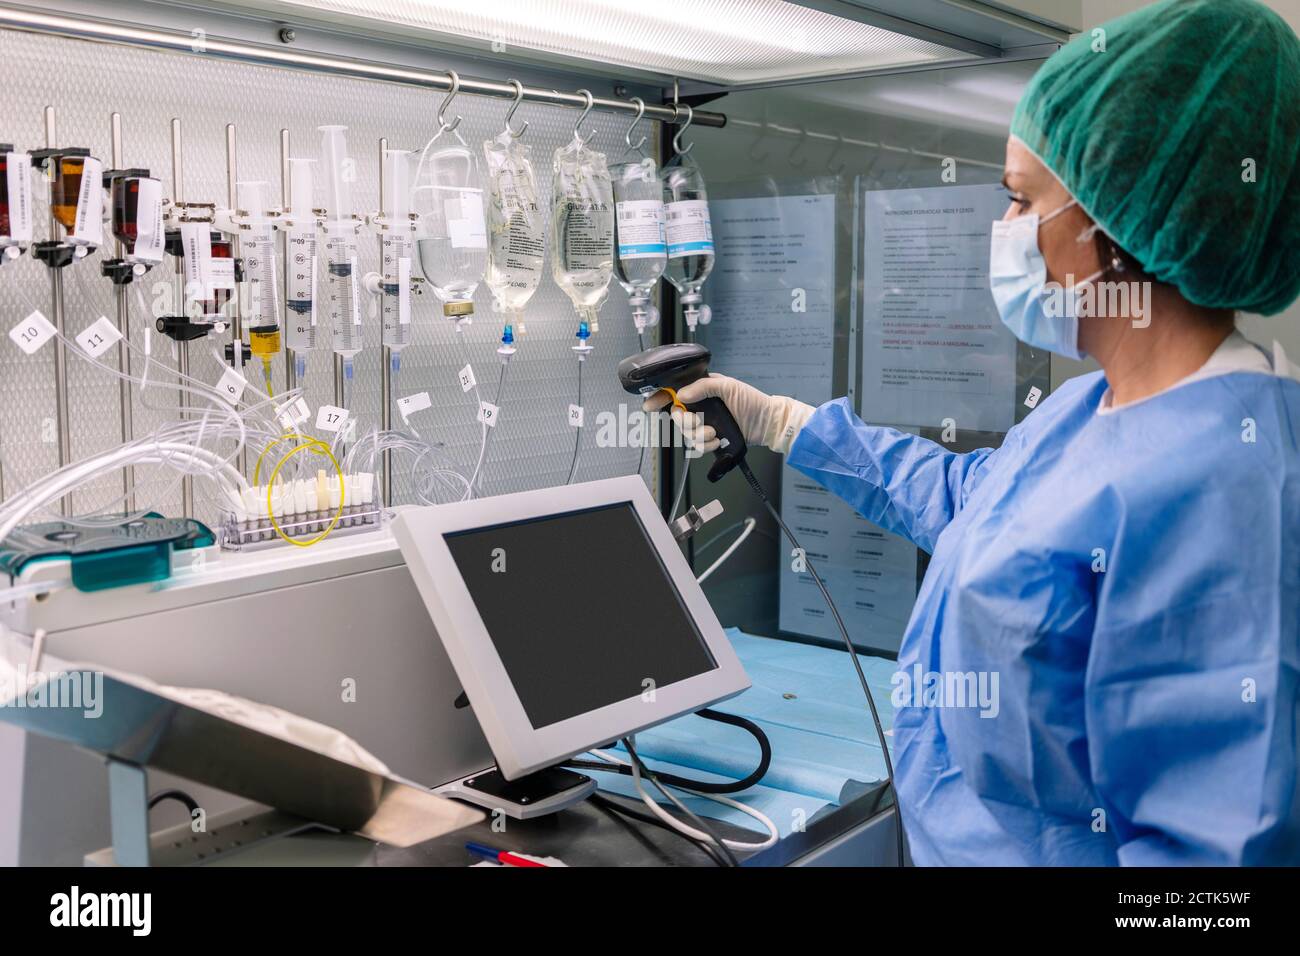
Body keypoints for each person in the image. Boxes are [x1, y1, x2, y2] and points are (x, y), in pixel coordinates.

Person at [648, 0, 1300, 865]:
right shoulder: (1094, 407)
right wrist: (780, 422)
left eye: (1020, 200)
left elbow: (1215, 869)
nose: (1003, 231)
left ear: (1111, 228)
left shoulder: (1234, 490)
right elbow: (974, 503)